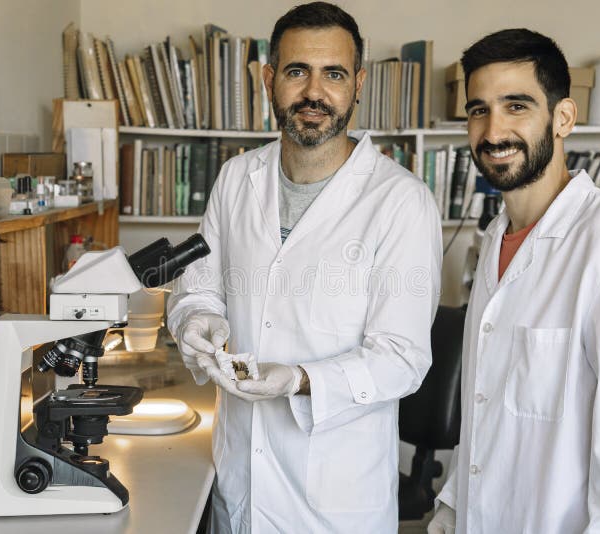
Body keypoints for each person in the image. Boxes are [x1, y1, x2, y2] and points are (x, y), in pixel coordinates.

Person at [167, 2, 442, 532]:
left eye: (333, 74)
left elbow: (403, 358)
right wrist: (195, 320)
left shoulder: (401, 201)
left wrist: (299, 379)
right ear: (270, 79)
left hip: (336, 498)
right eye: (297, 71)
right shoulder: (235, 178)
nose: (314, 92)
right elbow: (198, 289)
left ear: (357, 84)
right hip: (240, 481)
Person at [427, 29, 600, 534]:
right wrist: (454, 505)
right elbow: (484, 411)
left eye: (517, 105)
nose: (493, 130)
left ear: (563, 117)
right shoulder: (494, 242)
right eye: (478, 109)